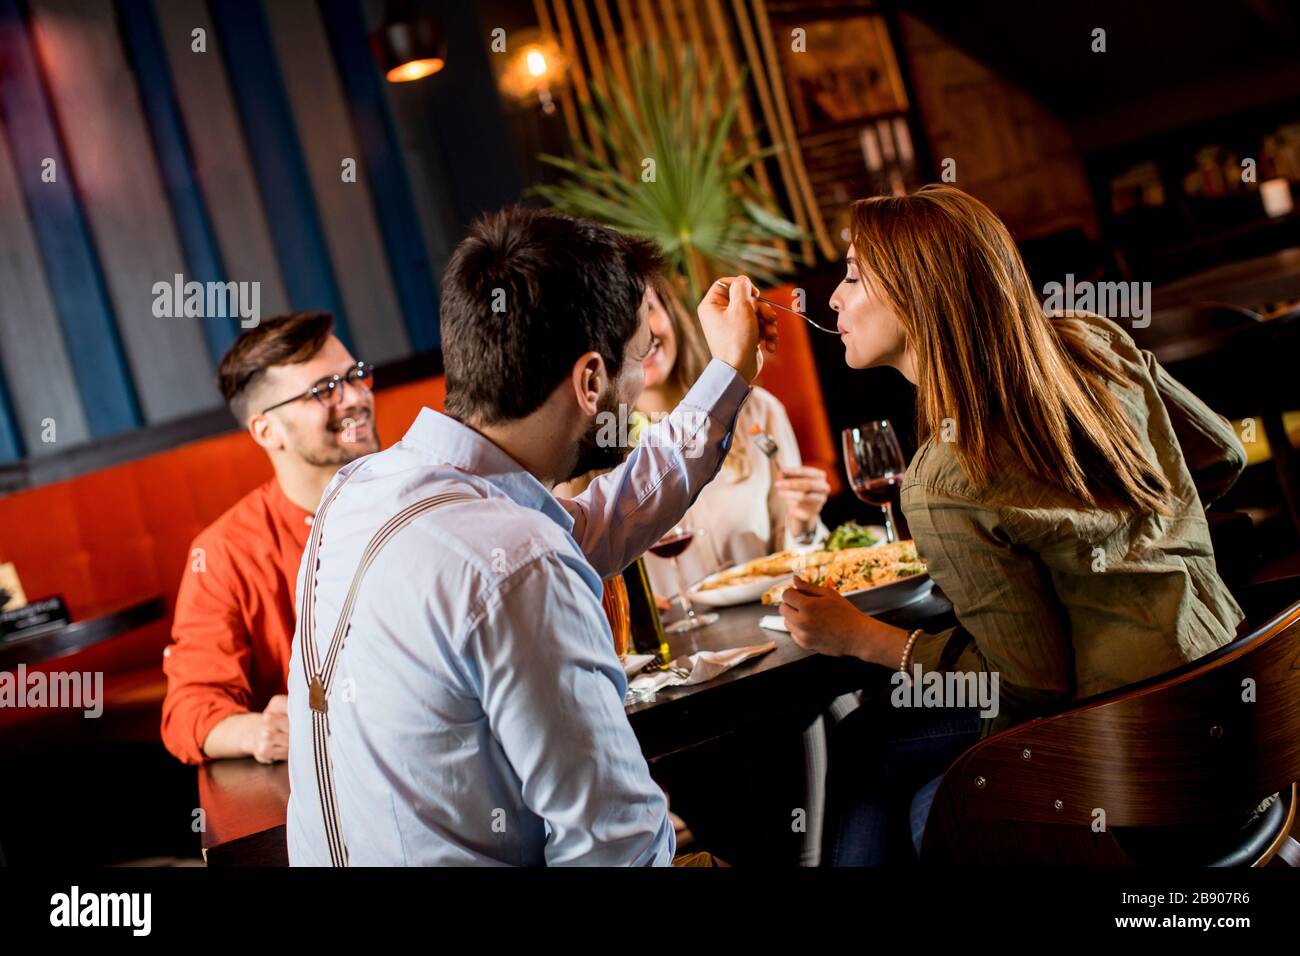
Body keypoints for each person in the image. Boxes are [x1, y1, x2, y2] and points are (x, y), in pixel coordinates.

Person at [285, 207, 773, 865]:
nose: (643, 380)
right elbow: (614, 848)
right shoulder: (517, 563)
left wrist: (728, 374)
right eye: (640, 357)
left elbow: (599, 522)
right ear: (591, 380)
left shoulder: (359, 492)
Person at [778, 185, 1246, 864]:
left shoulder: (943, 477)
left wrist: (861, 639)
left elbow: (1025, 687)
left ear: (918, 294)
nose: (833, 299)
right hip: (1241, 725)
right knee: (869, 744)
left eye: (853, 276)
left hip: (1146, 780)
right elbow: (1220, 456)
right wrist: (1124, 538)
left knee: (915, 804)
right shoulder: (1092, 340)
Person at [161, 313, 379, 765]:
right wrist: (259, 731)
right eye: (324, 391)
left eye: (355, 376)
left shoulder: (422, 495)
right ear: (266, 430)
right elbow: (190, 709)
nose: (356, 398)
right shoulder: (224, 553)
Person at [635, 276, 830, 597]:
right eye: (620, 323)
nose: (641, 334)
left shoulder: (757, 414)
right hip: (679, 640)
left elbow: (801, 557)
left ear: (671, 313)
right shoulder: (600, 449)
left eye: (647, 311)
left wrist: (804, 520)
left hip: (770, 614)